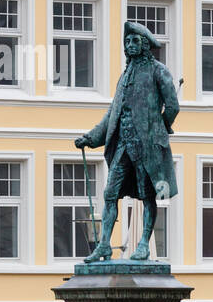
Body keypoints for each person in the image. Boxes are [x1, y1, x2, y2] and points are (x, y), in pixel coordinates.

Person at [74, 21, 179, 261]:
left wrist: (160, 128)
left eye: (135, 41)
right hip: (123, 145)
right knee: (110, 193)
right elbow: (113, 113)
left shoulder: (158, 71)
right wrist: (91, 138)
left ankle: (144, 243)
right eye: (127, 41)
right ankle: (103, 245)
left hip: (147, 146)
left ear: (144, 45)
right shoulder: (125, 75)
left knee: (147, 194)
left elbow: (172, 105)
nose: (130, 45)